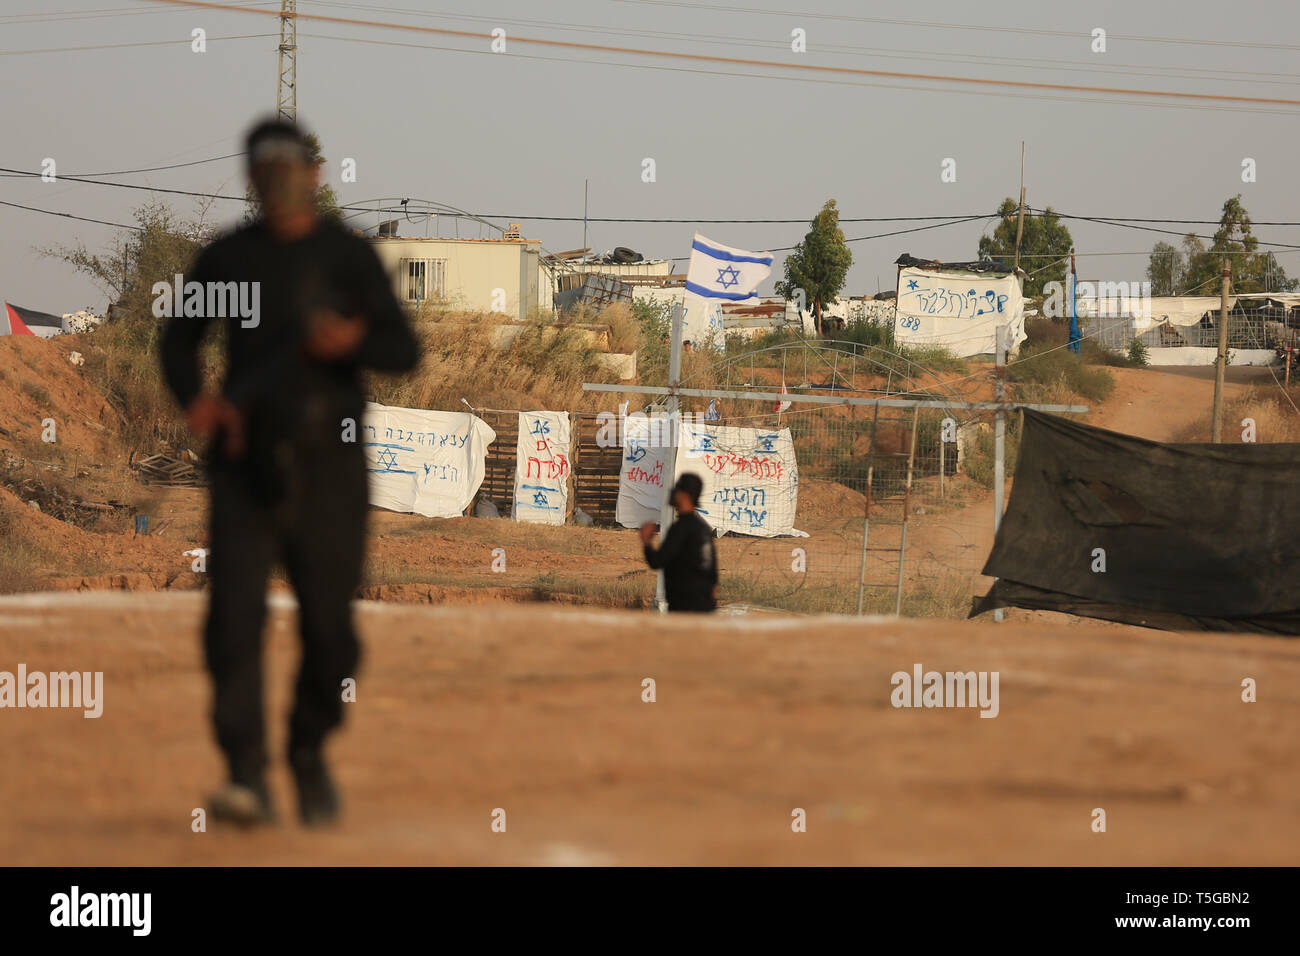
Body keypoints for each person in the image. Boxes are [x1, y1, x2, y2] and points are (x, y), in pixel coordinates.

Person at [160, 118, 419, 827]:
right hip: (245, 467)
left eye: (290, 168)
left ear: (316, 173)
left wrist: (354, 337)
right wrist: (199, 402)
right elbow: (178, 343)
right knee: (232, 625)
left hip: (331, 468)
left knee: (332, 631)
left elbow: (404, 349)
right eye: (264, 170)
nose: (278, 182)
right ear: (251, 179)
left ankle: (307, 751)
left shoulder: (349, 258)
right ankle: (246, 773)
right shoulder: (225, 258)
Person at [640, 473, 718, 612]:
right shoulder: (703, 528)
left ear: (684, 495)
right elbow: (712, 575)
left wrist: (646, 541)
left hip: (684, 606)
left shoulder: (680, 528)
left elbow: (657, 561)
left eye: (677, 489)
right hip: (705, 606)